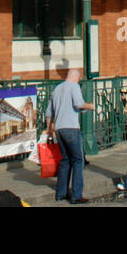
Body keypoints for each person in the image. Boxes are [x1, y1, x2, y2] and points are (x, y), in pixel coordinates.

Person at [44, 67, 95, 204]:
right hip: (71, 128)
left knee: (65, 161)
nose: (78, 82)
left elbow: (48, 112)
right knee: (78, 160)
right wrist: (90, 106)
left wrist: (49, 129)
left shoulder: (57, 89)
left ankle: (61, 193)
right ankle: (76, 195)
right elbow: (78, 104)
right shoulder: (74, 86)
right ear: (75, 77)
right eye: (78, 79)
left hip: (59, 129)